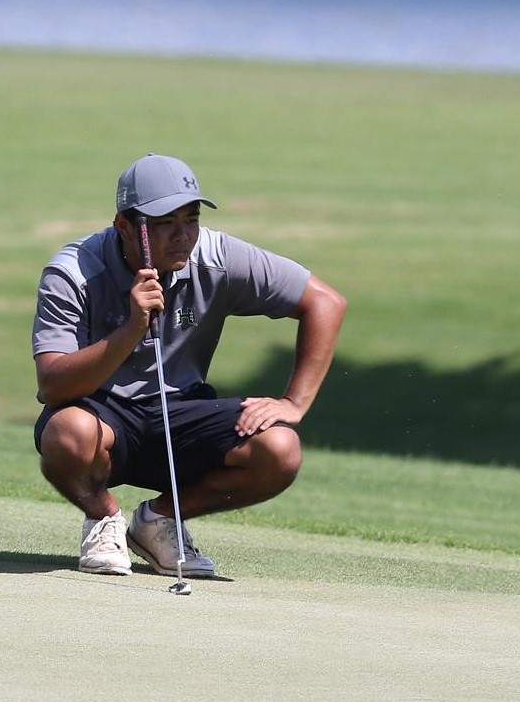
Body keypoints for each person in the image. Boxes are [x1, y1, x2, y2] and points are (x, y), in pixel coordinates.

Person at [32, 153, 347, 578]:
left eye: (191, 219)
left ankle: (157, 522)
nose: (183, 236)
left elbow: (325, 302)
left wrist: (294, 401)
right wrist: (131, 329)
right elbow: (52, 385)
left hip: (179, 414)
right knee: (67, 432)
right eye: (165, 223)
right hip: (100, 416)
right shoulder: (73, 271)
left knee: (280, 450)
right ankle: (103, 518)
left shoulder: (216, 255)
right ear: (124, 226)